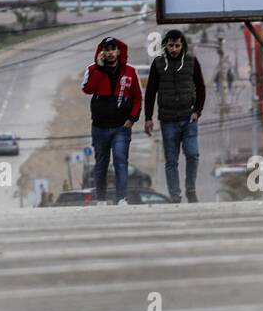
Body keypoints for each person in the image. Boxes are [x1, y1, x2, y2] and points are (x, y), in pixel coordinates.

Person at [143, 29, 207, 202]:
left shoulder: (192, 62)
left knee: (193, 154)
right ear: (166, 45)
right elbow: (150, 93)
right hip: (168, 120)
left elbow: (201, 87)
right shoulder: (158, 64)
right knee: (171, 160)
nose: (174, 49)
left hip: (189, 118)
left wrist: (197, 111)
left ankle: (191, 190)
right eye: (171, 45)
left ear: (182, 46)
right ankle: (175, 195)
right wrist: (148, 118)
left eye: (177, 45)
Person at [81, 36, 143, 204]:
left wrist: (132, 118)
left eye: (113, 49)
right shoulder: (93, 69)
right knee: (101, 163)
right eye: (106, 50)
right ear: (102, 52)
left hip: (121, 127)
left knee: (120, 160)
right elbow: (87, 89)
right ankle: (101, 199)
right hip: (99, 127)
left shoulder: (130, 71)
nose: (110, 53)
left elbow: (137, 97)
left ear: (118, 51)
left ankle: (121, 198)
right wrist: (99, 70)